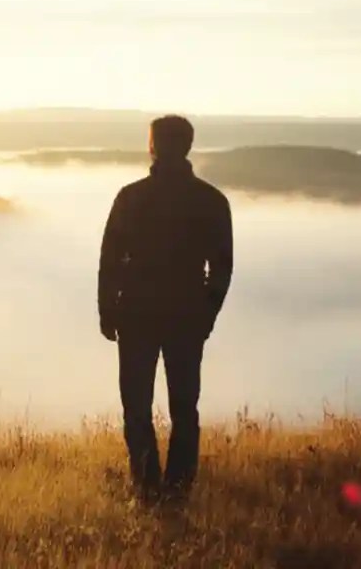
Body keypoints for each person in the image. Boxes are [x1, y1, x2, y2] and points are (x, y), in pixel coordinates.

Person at [98, 115, 233, 504]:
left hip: (137, 315)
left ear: (153, 146)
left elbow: (110, 260)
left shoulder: (131, 197)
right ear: (187, 147)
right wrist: (206, 315)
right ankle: (178, 488)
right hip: (187, 316)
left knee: (136, 406)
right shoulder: (211, 200)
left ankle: (146, 486)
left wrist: (108, 310)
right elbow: (221, 268)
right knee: (184, 407)